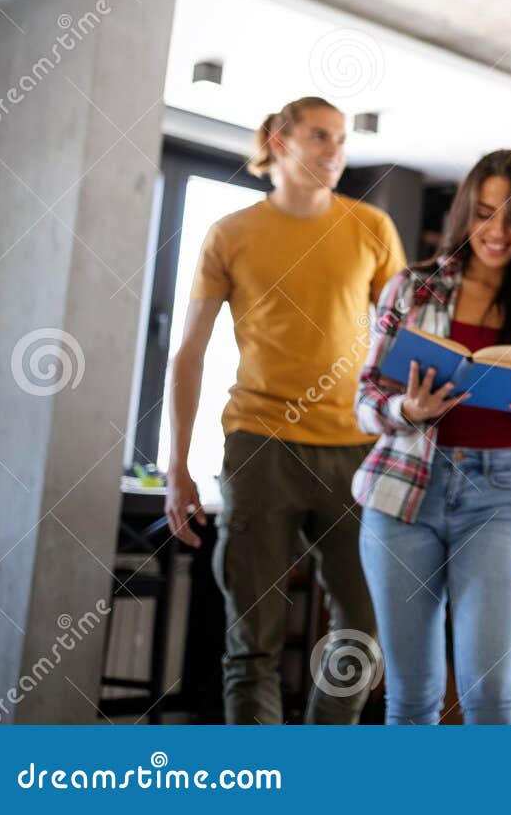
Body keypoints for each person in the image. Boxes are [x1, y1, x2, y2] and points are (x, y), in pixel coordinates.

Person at [164, 95, 408, 724]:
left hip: (356, 449)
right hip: (260, 445)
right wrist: (177, 465)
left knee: (362, 632)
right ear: (279, 141)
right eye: (321, 136)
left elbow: (403, 339)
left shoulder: (371, 227)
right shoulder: (230, 233)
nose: (335, 151)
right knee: (253, 642)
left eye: (342, 139)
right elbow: (188, 354)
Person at [354, 149, 511, 724]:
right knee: (411, 699)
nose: (497, 232)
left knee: (491, 696)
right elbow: (365, 403)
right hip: (403, 493)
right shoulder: (412, 288)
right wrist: (407, 409)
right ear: (465, 213)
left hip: (498, 496)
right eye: (484, 214)